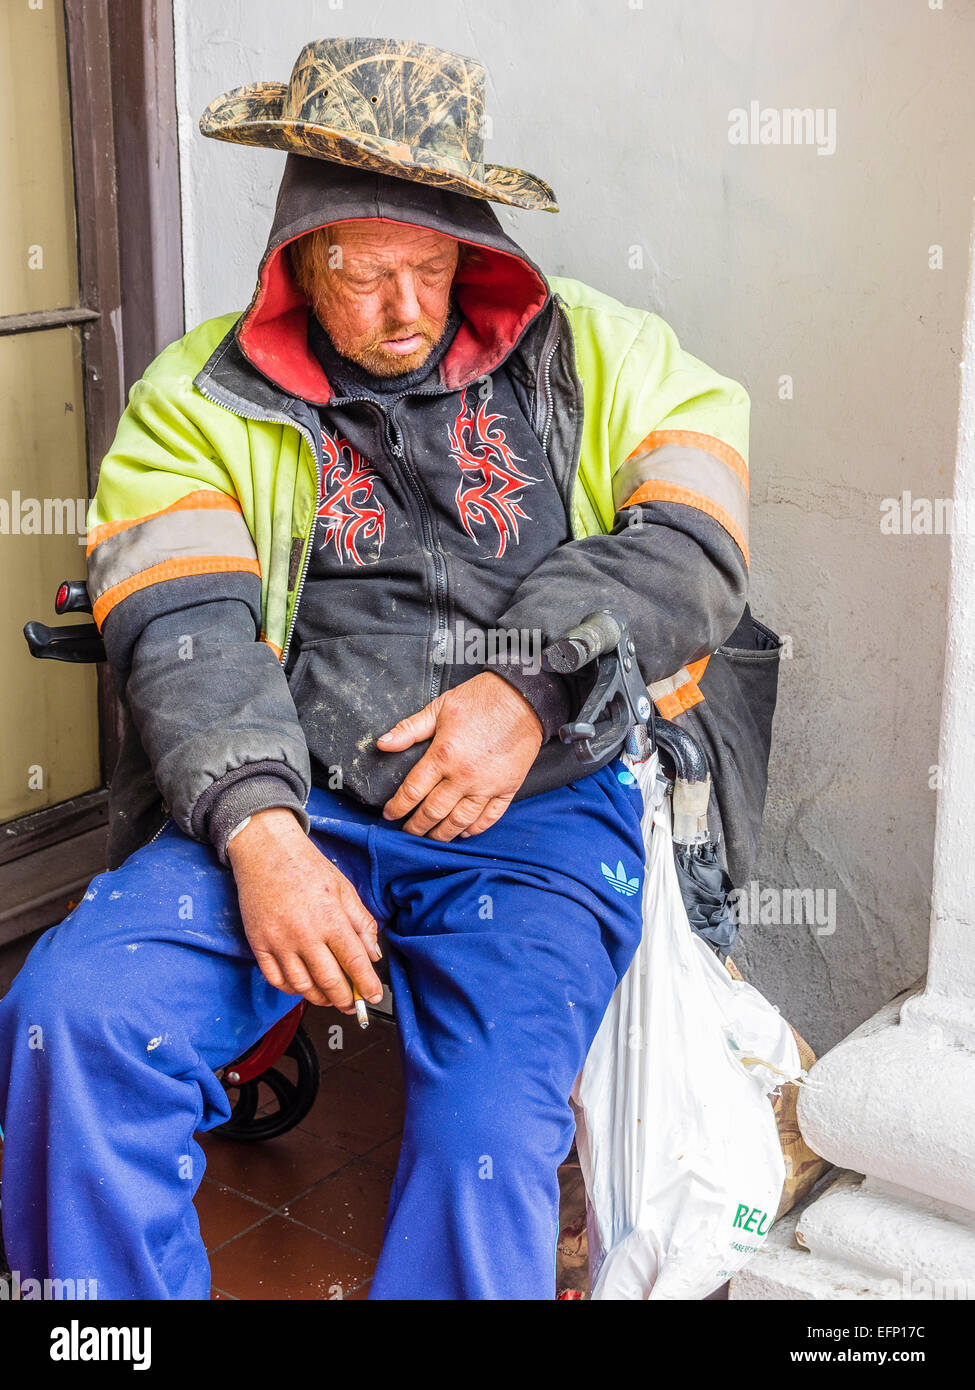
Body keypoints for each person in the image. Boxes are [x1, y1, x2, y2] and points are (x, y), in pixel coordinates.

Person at [0, 36, 755, 1300]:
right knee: (68, 1019)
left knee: (481, 1151)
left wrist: (531, 687)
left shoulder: (603, 353)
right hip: (296, 806)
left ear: (476, 249)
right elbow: (181, 626)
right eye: (368, 277)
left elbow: (697, 538)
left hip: (537, 817)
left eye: (436, 268)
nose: (409, 310)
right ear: (302, 258)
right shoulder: (197, 397)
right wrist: (258, 831)